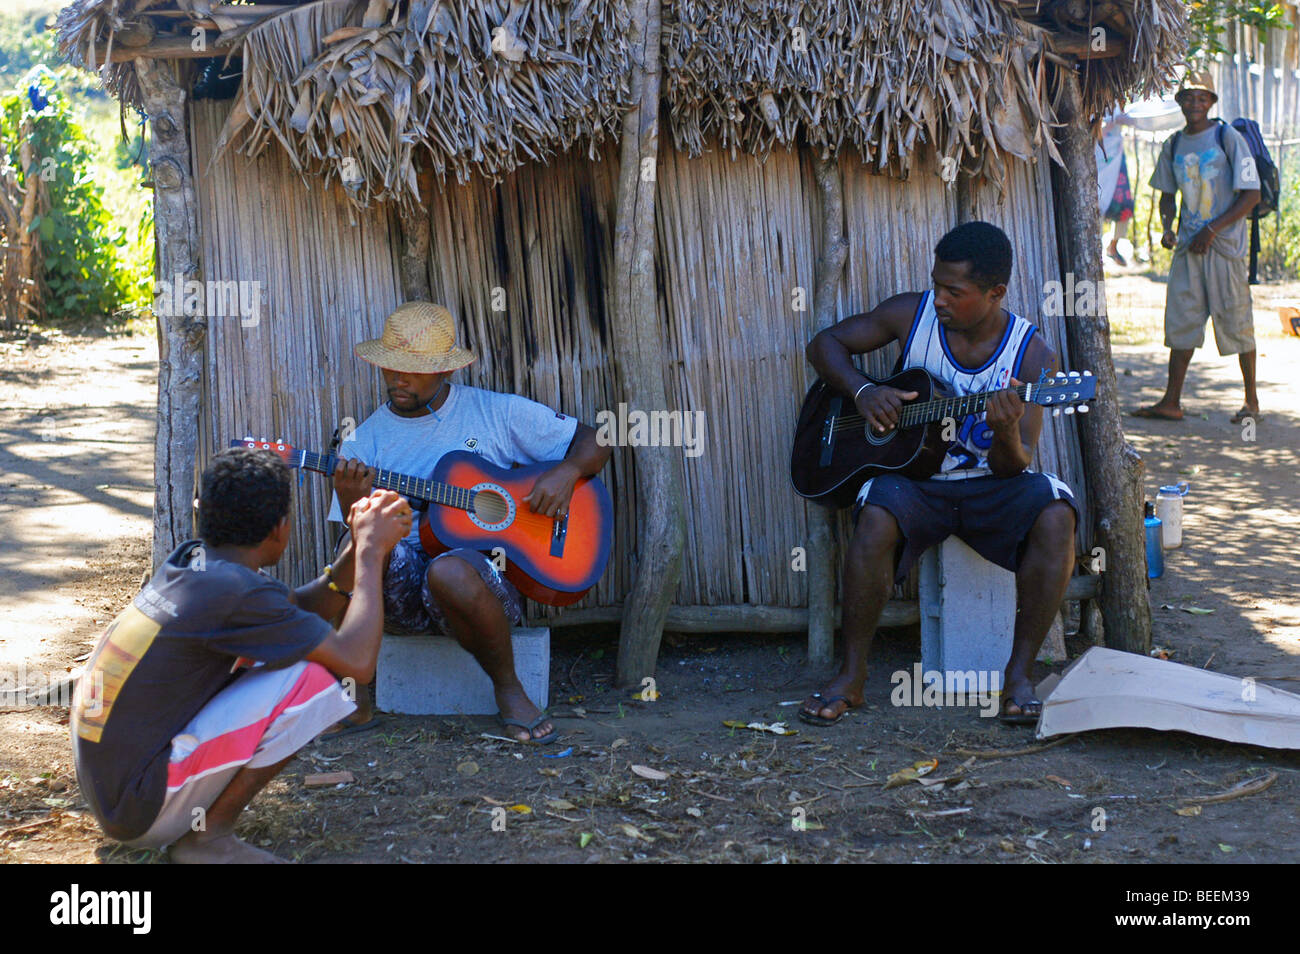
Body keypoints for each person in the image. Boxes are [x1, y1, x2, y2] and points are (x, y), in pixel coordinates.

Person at [71, 447, 412, 863]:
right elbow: (358, 662)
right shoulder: (234, 590)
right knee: (312, 679)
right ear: (280, 529)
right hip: (140, 807)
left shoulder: (198, 564)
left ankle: (199, 829)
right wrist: (372, 553)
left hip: (117, 793)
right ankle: (207, 838)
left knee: (295, 655)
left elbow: (301, 611)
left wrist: (357, 543)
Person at [799, 221, 1078, 727]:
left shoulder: (1032, 355)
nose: (940, 299)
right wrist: (862, 392)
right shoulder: (911, 314)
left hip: (992, 487)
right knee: (878, 510)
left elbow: (1017, 464)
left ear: (995, 293)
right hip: (916, 486)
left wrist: (1007, 431)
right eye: (937, 285)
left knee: (1057, 511)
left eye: (955, 291)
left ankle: (1018, 677)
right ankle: (852, 676)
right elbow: (824, 346)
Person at [325, 301, 612, 744]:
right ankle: (355, 697)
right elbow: (353, 550)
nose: (397, 378)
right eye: (389, 367)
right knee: (355, 542)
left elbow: (598, 439)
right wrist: (352, 503)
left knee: (451, 568)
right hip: (403, 602)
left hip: (480, 595)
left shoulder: (494, 413)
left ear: (444, 372)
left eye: (412, 369)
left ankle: (509, 690)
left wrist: (567, 471)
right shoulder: (364, 440)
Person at [1133, 71, 1262, 423]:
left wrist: (1213, 229)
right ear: (1180, 102)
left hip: (1225, 248)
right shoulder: (1173, 144)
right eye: (1188, 97)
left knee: (1236, 320)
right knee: (1182, 322)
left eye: (1202, 98)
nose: (1195, 103)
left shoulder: (1227, 137)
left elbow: (1252, 194)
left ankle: (1251, 402)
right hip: (1189, 248)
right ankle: (1171, 401)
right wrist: (1167, 229)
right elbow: (1166, 197)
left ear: (1211, 103)